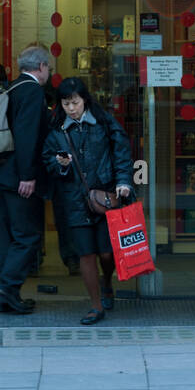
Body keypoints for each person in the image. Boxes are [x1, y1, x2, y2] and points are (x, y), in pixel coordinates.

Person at [43, 77, 133, 325]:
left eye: (75, 102)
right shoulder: (56, 130)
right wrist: (58, 165)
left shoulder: (103, 122)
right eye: (65, 103)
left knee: (106, 252)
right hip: (73, 199)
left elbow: (121, 150)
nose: (71, 109)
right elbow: (47, 160)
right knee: (86, 254)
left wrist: (123, 180)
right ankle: (95, 305)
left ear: (85, 100)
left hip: (104, 195)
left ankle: (107, 283)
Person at [0, 43, 52, 314]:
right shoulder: (33, 92)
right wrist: (28, 176)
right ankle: (6, 290)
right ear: (41, 67)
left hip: (1, 173)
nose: (48, 72)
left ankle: (5, 293)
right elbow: (27, 136)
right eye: (48, 67)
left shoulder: (10, 88)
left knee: (9, 236)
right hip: (18, 176)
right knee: (27, 235)